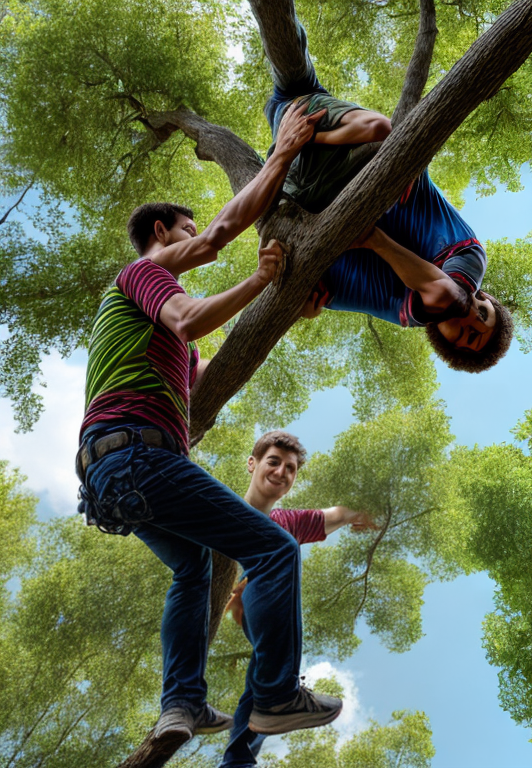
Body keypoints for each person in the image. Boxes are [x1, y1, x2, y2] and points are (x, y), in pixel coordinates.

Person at [75, 102, 345, 748]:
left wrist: (284, 305)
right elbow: (204, 279)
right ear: (164, 232)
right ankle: (277, 695)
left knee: (195, 567)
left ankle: (181, 705)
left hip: (111, 480)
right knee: (275, 548)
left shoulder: (166, 349)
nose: (196, 243)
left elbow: (205, 369)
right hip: (138, 458)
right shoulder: (141, 274)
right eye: (186, 231)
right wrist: (281, 155)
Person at [260, 14, 513, 372]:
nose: (467, 315)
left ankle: (284, 140)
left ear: (446, 341)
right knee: (286, 43)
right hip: (320, 137)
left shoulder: (400, 308)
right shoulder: (468, 257)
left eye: (466, 334)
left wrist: (306, 302)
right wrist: (375, 240)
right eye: (481, 314)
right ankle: (290, 134)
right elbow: (446, 294)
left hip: (290, 191)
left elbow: (327, 288)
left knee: (287, 57)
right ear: (483, 295)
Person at [219, 431, 377, 768]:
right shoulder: (222, 508)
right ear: (253, 464)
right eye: (273, 462)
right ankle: (278, 694)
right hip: (220, 602)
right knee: (281, 551)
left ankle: (239, 759)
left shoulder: (285, 523)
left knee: (263, 666)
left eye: (290, 469)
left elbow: (329, 515)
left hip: (258, 614)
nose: (281, 472)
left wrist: (357, 513)